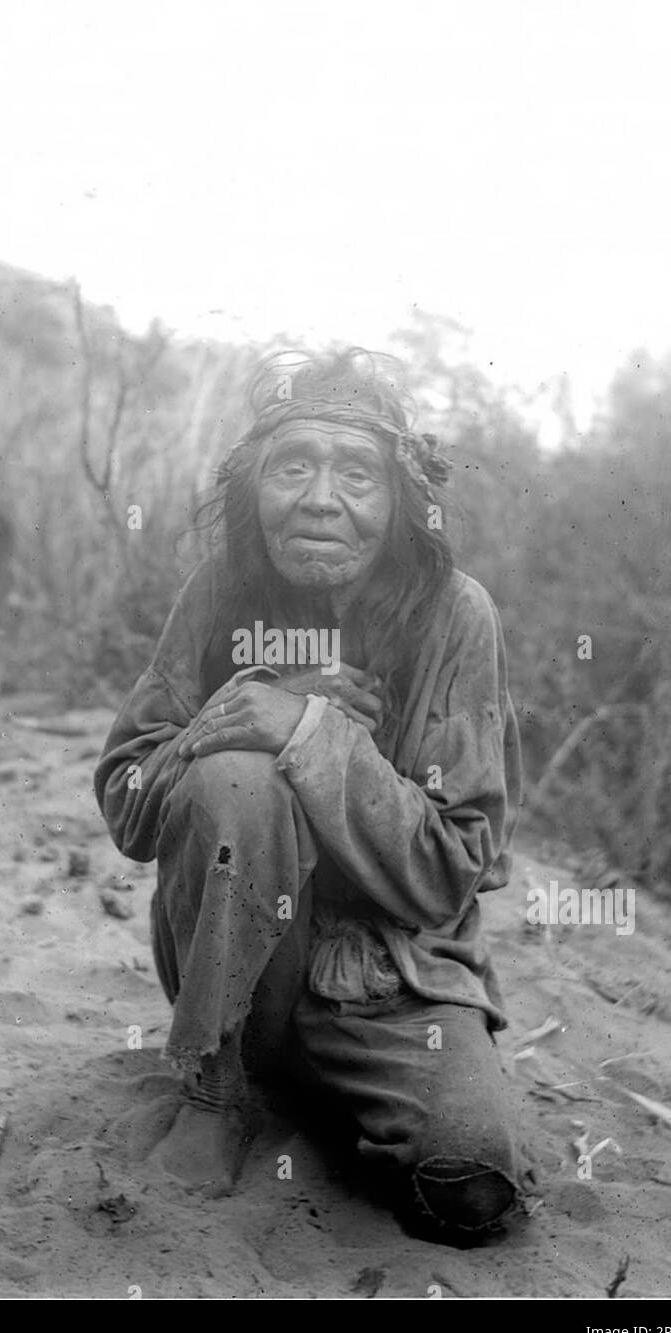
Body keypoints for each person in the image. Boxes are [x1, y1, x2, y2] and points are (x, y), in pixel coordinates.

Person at [95, 348, 525, 1243]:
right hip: (238, 977)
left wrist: (311, 732)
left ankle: (332, 1091)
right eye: (293, 466)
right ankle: (217, 1086)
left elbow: (451, 866)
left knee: (471, 1187)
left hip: (392, 984)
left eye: (356, 473)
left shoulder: (457, 615)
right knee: (236, 777)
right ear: (255, 487)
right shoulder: (218, 592)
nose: (321, 498)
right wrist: (235, 713)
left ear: (401, 502)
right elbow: (131, 798)